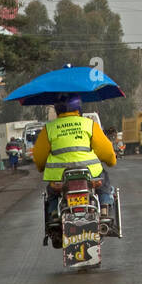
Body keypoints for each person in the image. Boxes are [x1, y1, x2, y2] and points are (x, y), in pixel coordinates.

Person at [31, 95, 120, 244]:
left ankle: (54, 214)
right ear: (78, 108)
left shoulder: (49, 129)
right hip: (91, 176)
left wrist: (41, 167)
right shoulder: (89, 125)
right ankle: (104, 208)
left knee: (52, 193)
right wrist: (111, 161)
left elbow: (39, 157)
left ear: (58, 110)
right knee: (104, 183)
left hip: (60, 179)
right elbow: (107, 152)